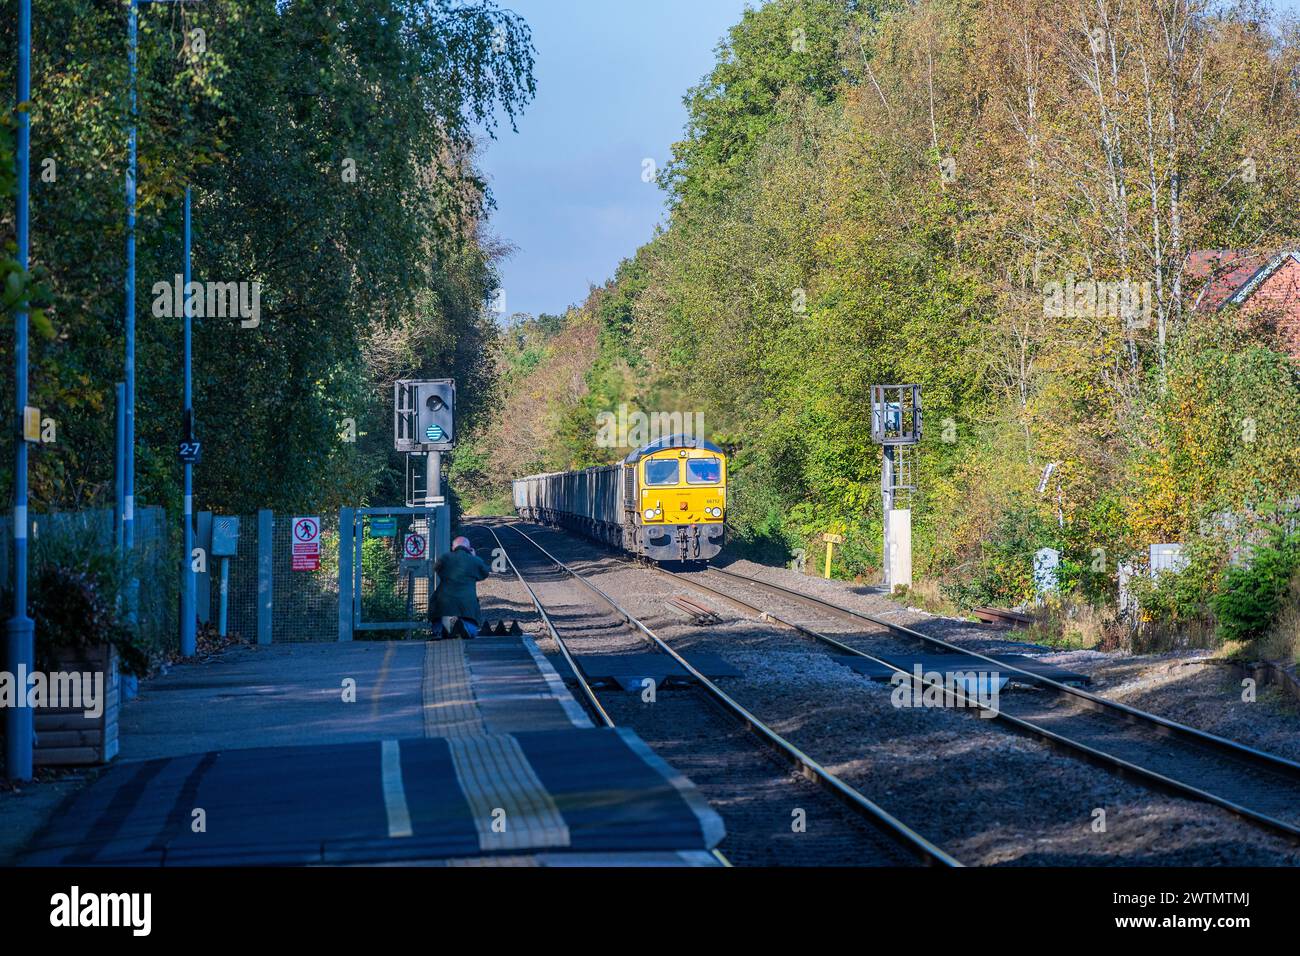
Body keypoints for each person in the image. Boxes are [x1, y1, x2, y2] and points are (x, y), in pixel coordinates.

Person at [430, 535, 491, 640]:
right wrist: (473, 557)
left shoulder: (445, 558)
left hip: (444, 605)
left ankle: (440, 630)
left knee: (438, 606)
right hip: (467, 608)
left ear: (453, 547)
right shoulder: (475, 561)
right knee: (470, 623)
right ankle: (464, 627)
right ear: (469, 548)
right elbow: (485, 573)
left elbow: (436, 568)